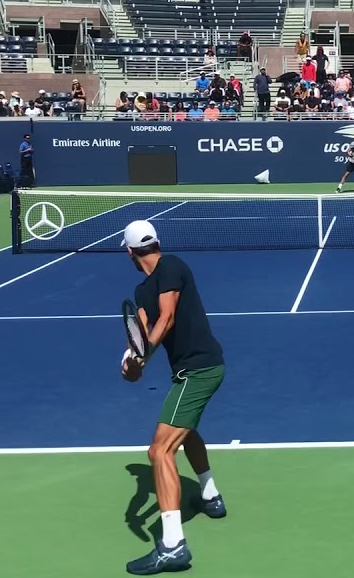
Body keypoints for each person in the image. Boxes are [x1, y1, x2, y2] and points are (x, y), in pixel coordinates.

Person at [120, 220, 227, 575]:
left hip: (199, 369)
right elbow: (145, 332)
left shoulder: (172, 267)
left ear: (130, 251)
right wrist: (133, 363)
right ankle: (210, 496)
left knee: (159, 450)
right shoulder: (141, 292)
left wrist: (143, 353)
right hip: (191, 370)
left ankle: (172, 546)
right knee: (187, 431)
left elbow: (165, 320)